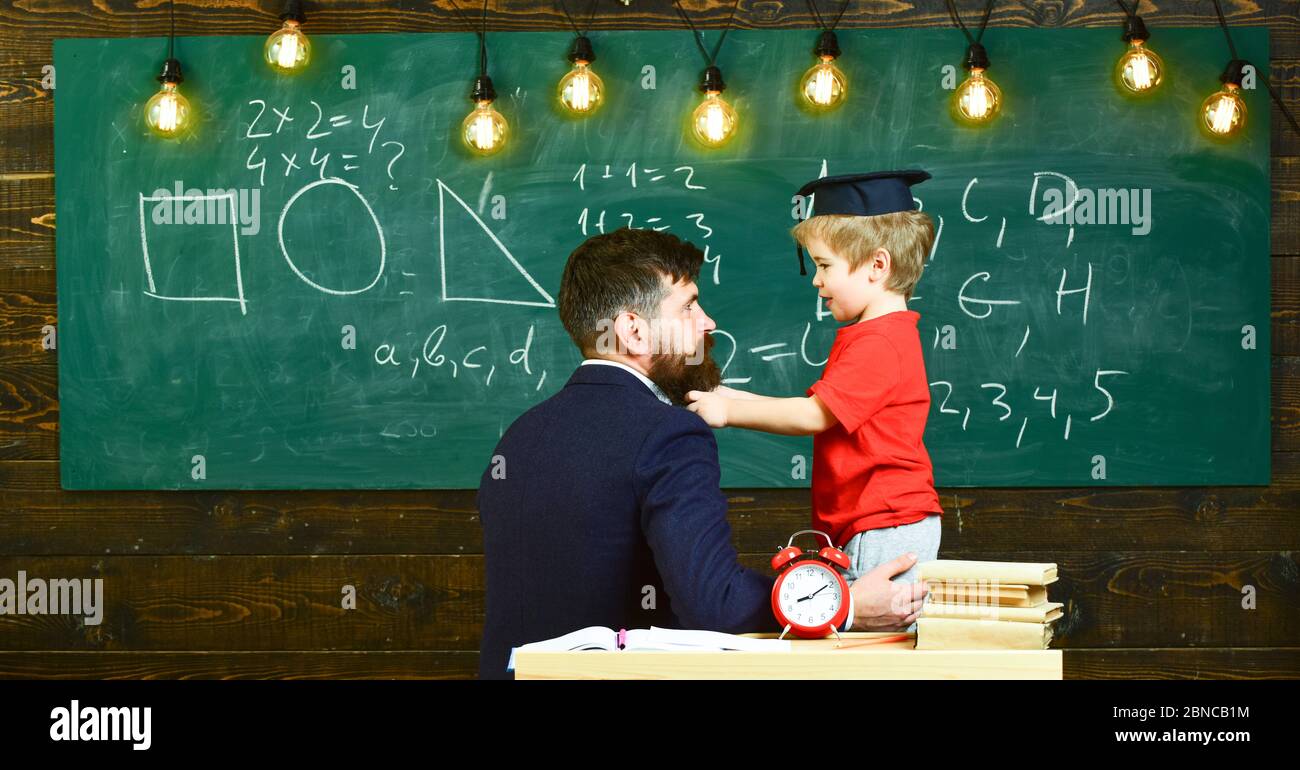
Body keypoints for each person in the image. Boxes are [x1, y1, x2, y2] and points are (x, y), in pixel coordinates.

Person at [476, 227, 926, 679]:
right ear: (632, 331)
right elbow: (715, 603)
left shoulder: (518, 438)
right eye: (689, 306)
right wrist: (841, 605)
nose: (708, 322)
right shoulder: (667, 434)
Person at [686, 171, 944, 630]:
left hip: (886, 524)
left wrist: (728, 411)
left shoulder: (880, 343)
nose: (816, 281)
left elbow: (814, 414)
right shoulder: (879, 335)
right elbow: (820, 405)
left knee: (873, 644)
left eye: (825, 266)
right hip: (876, 521)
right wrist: (726, 392)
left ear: (877, 266)